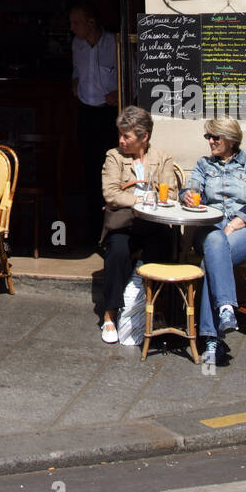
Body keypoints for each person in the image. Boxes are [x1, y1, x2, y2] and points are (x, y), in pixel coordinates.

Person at [187, 117, 246, 367]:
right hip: (211, 229)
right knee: (214, 244)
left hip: (244, 231)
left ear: (231, 140)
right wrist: (187, 196)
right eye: (208, 137)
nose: (210, 141)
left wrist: (235, 224)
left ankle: (211, 340)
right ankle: (225, 310)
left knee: (211, 261)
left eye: (215, 137)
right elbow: (191, 189)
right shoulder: (203, 165)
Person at [99, 106, 177, 343]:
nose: (121, 140)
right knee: (117, 251)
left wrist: (150, 200)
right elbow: (111, 194)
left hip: (153, 223)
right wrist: (140, 199)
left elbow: (171, 194)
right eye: (120, 135)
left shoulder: (162, 157)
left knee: (165, 243)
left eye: (127, 136)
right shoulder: (114, 156)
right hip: (125, 223)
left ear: (144, 137)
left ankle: (153, 307)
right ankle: (110, 314)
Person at [70, 1, 118, 242]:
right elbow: (76, 72)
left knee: (109, 169)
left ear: (91, 22)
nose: (72, 27)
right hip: (86, 112)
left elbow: (132, 73)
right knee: (88, 169)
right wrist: (75, 84)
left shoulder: (113, 43)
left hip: (108, 114)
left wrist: (119, 93)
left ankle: (110, 229)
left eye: (76, 22)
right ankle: (92, 229)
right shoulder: (76, 45)